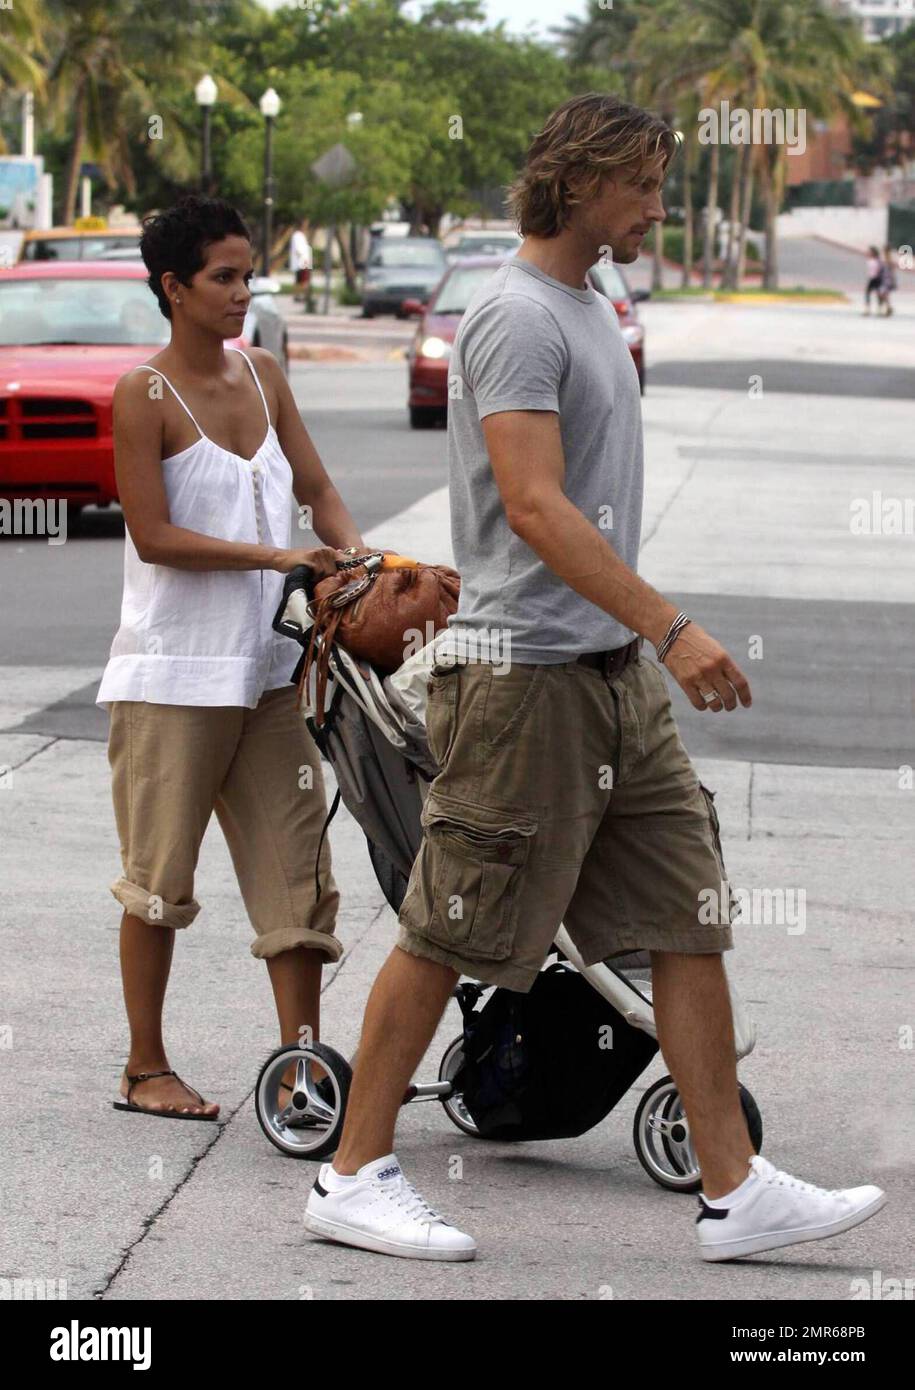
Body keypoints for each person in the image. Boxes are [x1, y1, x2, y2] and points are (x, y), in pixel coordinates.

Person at [304, 94, 886, 1263]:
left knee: (687, 912)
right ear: (578, 186)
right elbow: (533, 505)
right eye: (643, 185)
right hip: (529, 684)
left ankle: (738, 1189)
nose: (657, 204)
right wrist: (673, 627)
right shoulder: (516, 314)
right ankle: (353, 1171)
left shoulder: (590, 294)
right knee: (451, 924)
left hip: (611, 680)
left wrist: (643, 648)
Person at [98, 194, 367, 1120]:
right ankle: (145, 1068)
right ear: (173, 288)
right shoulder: (144, 394)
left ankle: (300, 1069)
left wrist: (362, 562)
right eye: (223, 277)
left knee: (299, 876)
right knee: (159, 881)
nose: (242, 291)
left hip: (268, 678)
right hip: (173, 677)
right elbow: (155, 534)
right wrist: (280, 555)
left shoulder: (265, 374)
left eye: (248, 274)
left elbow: (320, 488)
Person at [289, 219, 313, 307]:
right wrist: (304, 260)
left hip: (302, 262)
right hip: (301, 262)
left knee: (301, 280)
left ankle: (299, 296)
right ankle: (302, 296)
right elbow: (298, 249)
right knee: (303, 280)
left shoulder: (301, 235)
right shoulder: (297, 235)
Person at [878, 244, 897, 317]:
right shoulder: (884, 258)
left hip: (887, 279)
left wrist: (893, 280)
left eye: (884, 250)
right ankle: (888, 308)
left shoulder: (889, 259)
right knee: (884, 294)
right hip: (884, 278)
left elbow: (892, 270)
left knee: (883, 293)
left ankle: (887, 308)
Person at [864, 245, 883, 315]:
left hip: (877, 279)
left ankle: (880, 309)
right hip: (871, 278)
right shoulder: (869, 260)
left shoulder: (877, 261)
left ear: (874, 253)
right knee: (867, 293)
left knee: (878, 294)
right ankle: (867, 309)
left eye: (870, 252)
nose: (868, 253)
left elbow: (880, 270)